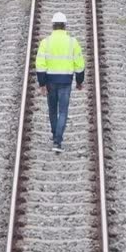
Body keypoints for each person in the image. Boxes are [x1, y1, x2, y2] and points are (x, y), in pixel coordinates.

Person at [35, 12, 85, 153]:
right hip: (66, 81)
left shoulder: (46, 42)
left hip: (50, 81)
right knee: (63, 111)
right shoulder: (72, 42)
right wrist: (79, 81)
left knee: (52, 110)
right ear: (65, 26)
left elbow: (40, 64)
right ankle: (58, 140)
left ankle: (55, 134)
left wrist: (42, 83)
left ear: (53, 25)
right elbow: (80, 64)